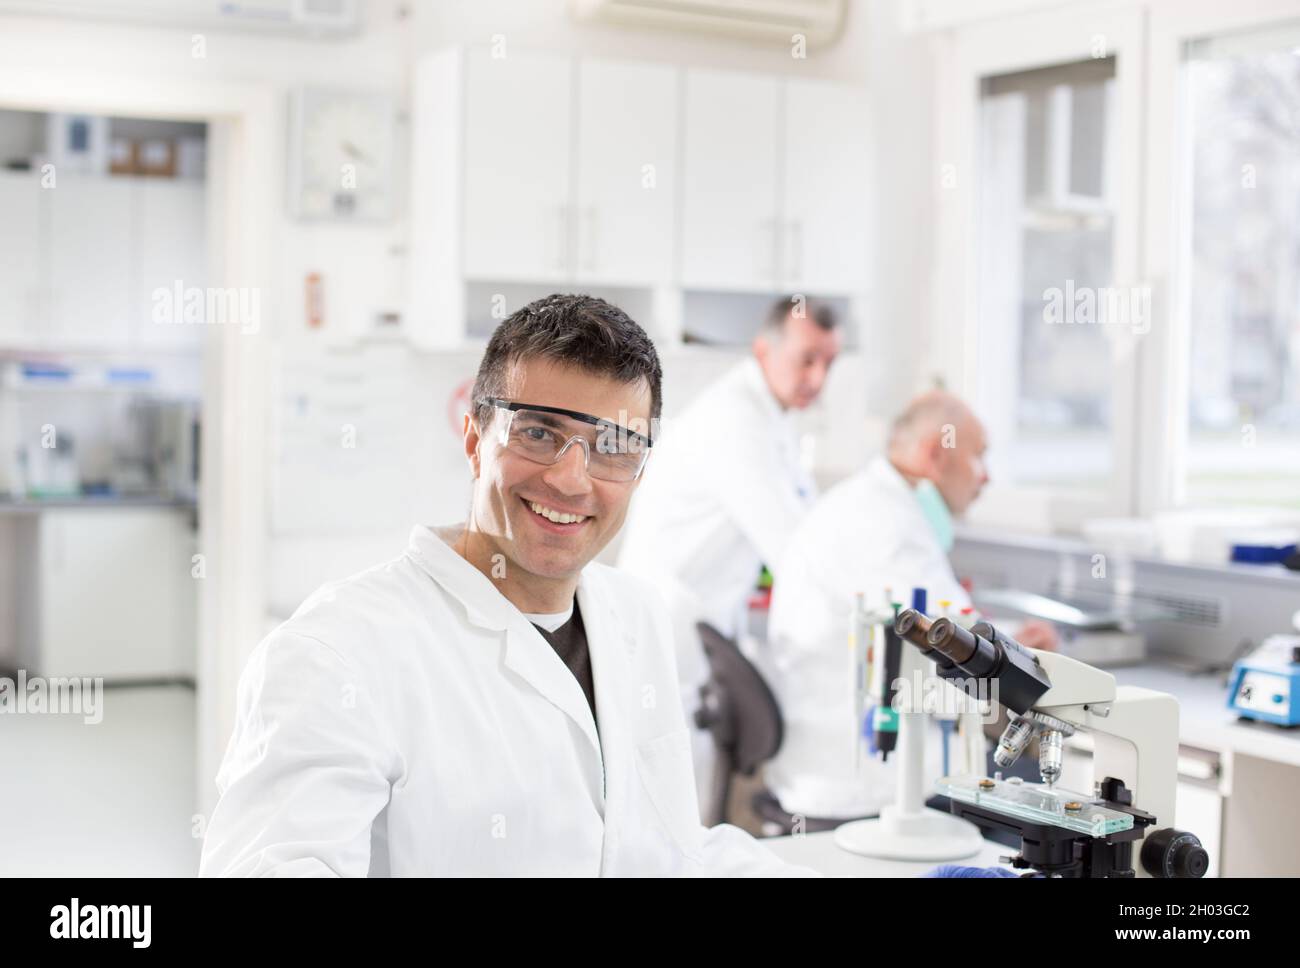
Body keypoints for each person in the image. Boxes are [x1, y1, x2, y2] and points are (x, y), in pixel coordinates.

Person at [199, 294, 812, 876]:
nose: (572, 480)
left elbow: (664, 849)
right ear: (474, 439)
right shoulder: (338, 652)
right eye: (539, 433)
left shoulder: (639, 615)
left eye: (615, 447)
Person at [763, 390, 1057, 821]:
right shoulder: (887, 526)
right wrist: (1020, 649)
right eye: (979, 457)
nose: (986, 477)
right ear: (937, 455)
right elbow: (963, 654)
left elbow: (949, 627)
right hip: (865, 781)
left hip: (831, 757)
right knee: (1044, 801)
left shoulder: (869, 504)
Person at [616, 295, 840, 803]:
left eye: (829, 362)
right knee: (670, 798)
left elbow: (809, 526)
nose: (819, 377)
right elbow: (795, 549)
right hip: (666, 627)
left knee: (687, 793)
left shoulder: (772, 419)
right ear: (764, 350)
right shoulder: (735, 422)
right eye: (807, 359)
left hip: (699, 625)